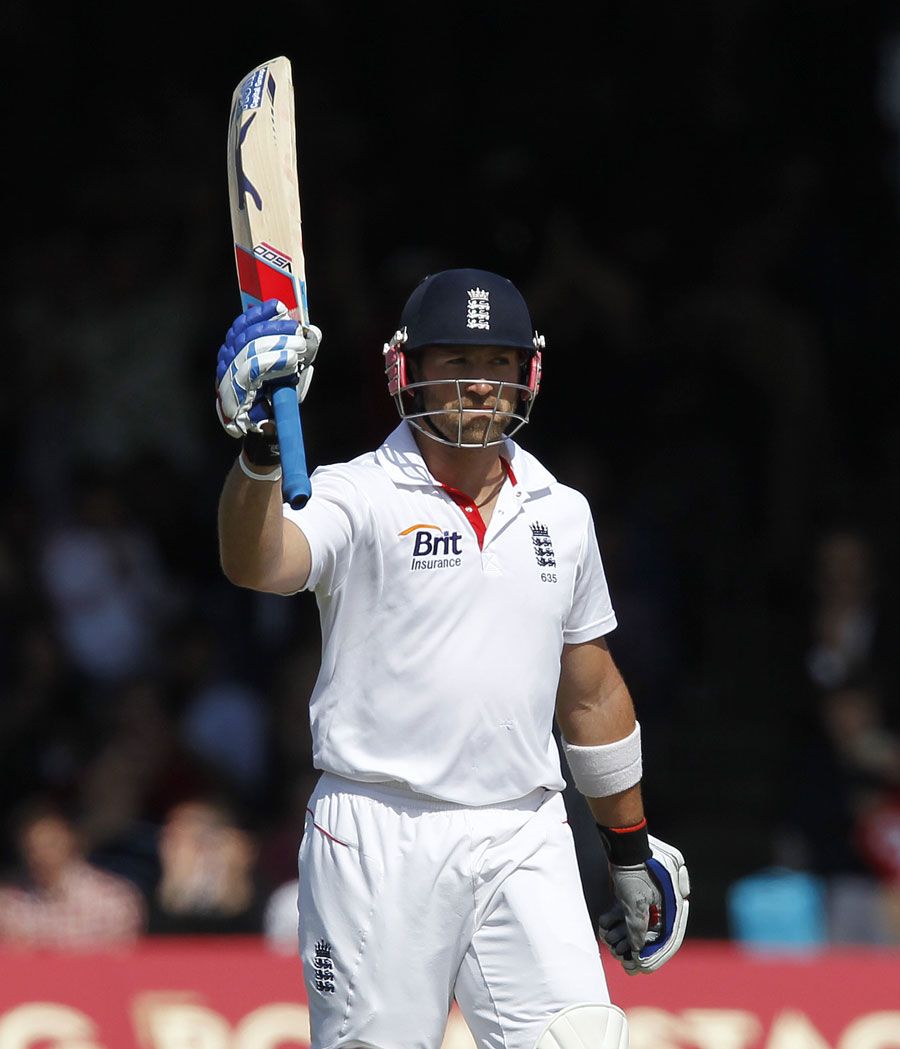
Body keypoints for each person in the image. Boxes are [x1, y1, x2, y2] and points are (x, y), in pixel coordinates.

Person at [215, 268, 690, 1049]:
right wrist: (262, 453)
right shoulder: (358, 494)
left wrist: (629, 845)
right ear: (408, 369)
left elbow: (591, 690)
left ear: (526, 374)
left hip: (522, 829)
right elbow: (257, 561)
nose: (477, 385)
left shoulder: (562, 513)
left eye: (497, 364)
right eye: (454, 363)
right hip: (378, 828)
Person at [0, 800, 145, 948]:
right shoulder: (10, 904)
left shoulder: (113, 898)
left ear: (71, 841)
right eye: (33, 848)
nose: (42, 855)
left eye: (51, 844)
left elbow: (122, 961)